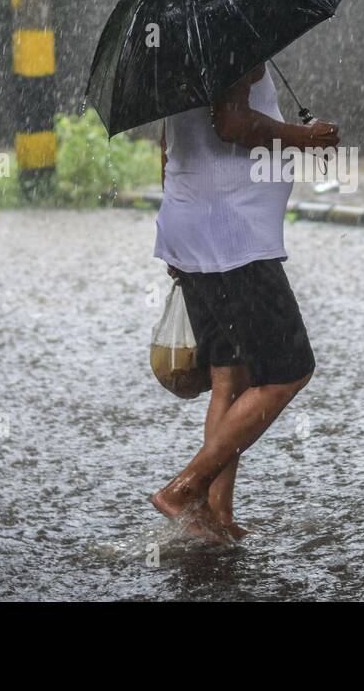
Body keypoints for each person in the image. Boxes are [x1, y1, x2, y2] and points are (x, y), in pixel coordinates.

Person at [151, 62, 339, 543]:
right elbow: (231, 122)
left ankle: (218, 514)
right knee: (287, 370)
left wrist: (175, 225)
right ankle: (185, 489)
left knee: (229, 376)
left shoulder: (181, 55)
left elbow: (167, 147)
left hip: (193, 230)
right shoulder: (231, 45)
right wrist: (303, 136)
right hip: (233, 241)